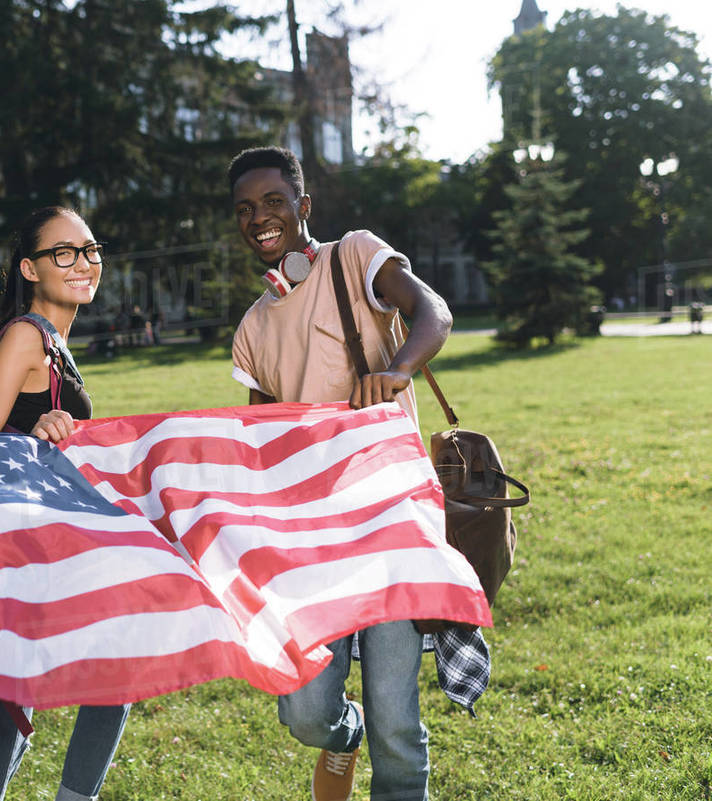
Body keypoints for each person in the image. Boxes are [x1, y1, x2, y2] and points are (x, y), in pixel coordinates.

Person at [227, 146, 460, 801]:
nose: (260, 218)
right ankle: (343, 732)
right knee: (304, 710)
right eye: (245, 210)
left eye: (274, 202)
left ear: (303, 207)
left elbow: (433, 312)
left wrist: (398, 369)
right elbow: (260, 445)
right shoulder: (252, 326)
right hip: (312, 540)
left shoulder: (355, 255)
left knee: (399, 725)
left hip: (391, 521)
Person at [0, 206, 131, 801]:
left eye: (89, 249)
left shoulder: (53, 339)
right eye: (63, 253)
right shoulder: (27, 335)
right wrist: (33, 440)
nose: (82, 263)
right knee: (19, 705)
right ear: (30, 268)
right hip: (18, 547)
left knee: (78, 685)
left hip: (51, 541)